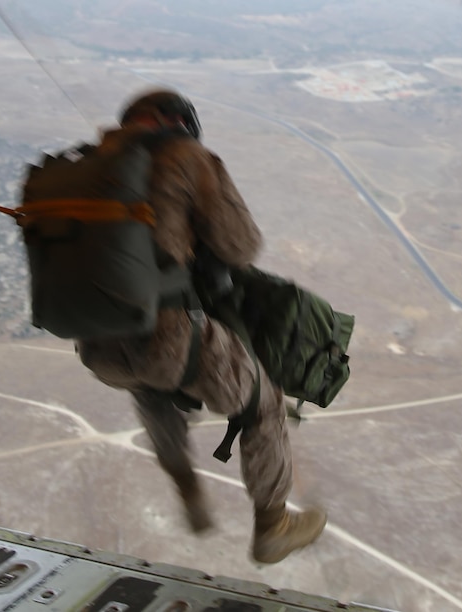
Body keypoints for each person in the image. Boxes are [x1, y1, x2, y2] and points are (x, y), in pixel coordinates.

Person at [75, 88, 326, 564]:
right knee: (262, 404)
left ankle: (187, 486)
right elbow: (242, 245)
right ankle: (274, 525)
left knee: (151, 391)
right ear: (179, 121)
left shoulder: (88, 166)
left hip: (97, 345)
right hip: (168, 336)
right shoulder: (187, 156)